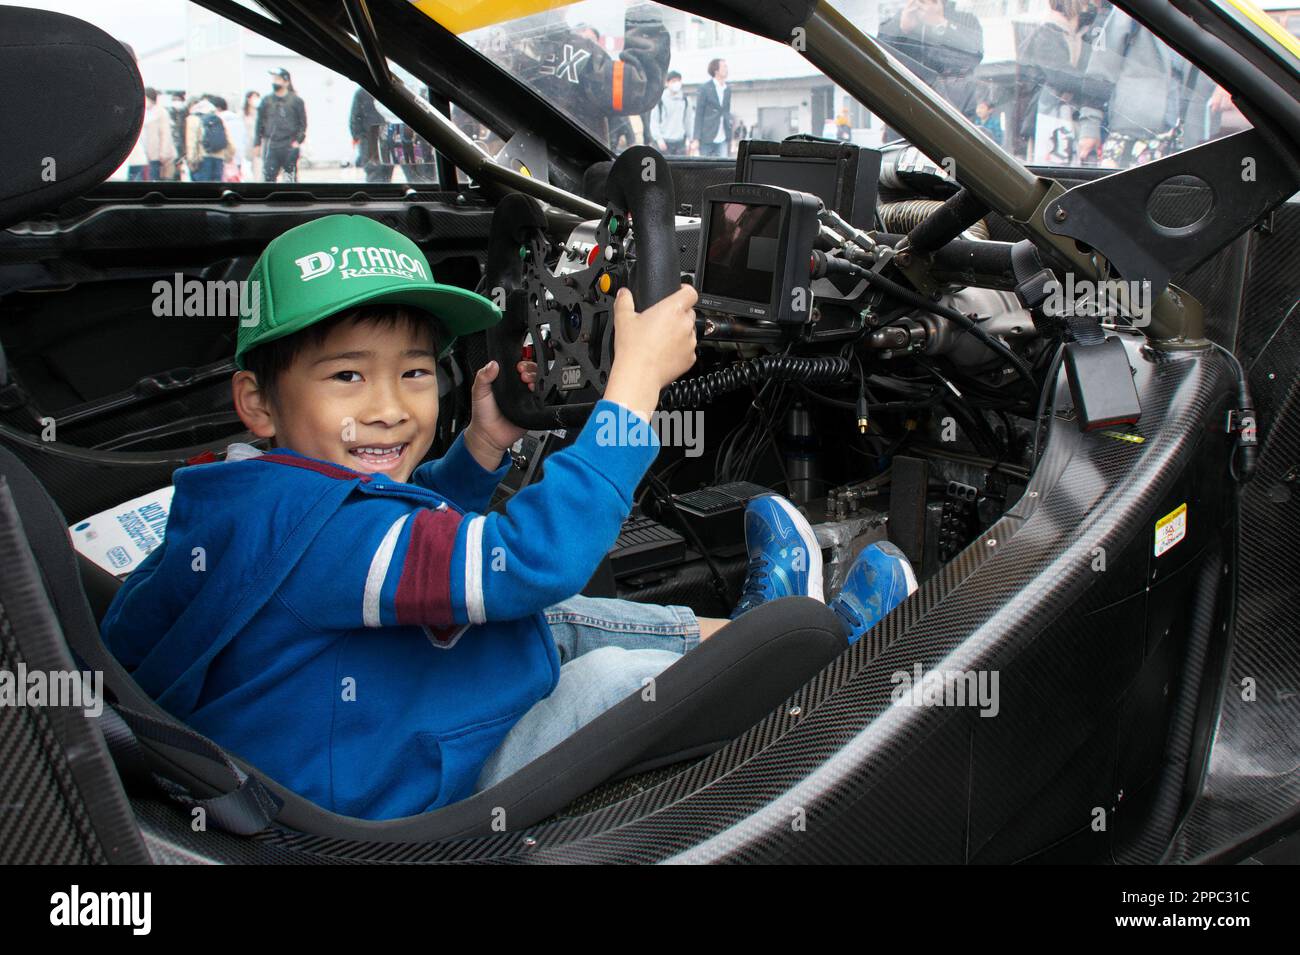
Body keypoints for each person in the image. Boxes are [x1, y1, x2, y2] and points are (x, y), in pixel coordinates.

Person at [99, 214, 916, 820]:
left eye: (415, 372)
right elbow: (533, 556)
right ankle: (837, 674)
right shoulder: (320, 535)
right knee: (591, 663)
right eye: (348, 376)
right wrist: (635, 384)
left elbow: (393, 539)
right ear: (258, 401)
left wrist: (481, 445)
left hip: (353, 745)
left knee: (543, 620)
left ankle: (758, 634)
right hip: (410, 812)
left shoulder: (244, 501)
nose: (388, 408)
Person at [501, 8, 669, 151]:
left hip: (504, 169)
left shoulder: (488, 48)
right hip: (564, 176)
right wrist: (645, 16)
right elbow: (639, 87)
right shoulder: (577, 54)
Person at [1076, 6, 1190, 167]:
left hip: (1175, 142)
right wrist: (1089, 127)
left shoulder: (1196, 13)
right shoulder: (1130, 13)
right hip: (1130, 139)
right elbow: (1101, 72)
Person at [878, 0, 984, 140]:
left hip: (954, 118)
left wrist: (940, 24)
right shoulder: (898, 21)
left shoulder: (966, 21)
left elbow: (972, 57)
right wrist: (901, 29)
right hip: (903, 118)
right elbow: (879, 59)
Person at [1017, 0, 1104, 164]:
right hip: (1049, 119)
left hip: (1066, 118)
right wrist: (1097, 85)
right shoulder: (1048, 31)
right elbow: (1061, 76)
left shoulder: (1081, 32)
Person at [254, 68, 307, 182]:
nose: (274, 82)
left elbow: (302, 124)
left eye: (278, 79)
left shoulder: (296, 101)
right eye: (274, 79)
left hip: (289, 143)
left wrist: (298, 141)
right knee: (269, 177)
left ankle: (291, 199)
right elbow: (259, 123)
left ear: (286, 82)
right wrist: (257, 143)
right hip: (271, 144)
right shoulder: (266, 100)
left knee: (290, 178)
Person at [349, 87, 394, 183]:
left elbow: (355, 116)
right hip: (370, 138)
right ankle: (378, 195)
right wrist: (359, 136)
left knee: (386, 170)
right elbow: (355, 117)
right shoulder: (362, 93)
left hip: (383, 135)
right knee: (375, 171)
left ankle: (385, 194)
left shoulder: (386, 90)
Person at [184, 95, 233, 182]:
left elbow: (191, 141)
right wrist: (229, 156)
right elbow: (228, 139)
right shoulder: (218, 118)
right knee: (216, 189)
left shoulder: (193, 119)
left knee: (202, 190)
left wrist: (191, 159)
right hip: (219, 158)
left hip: (202, 158)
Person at [692, 58, 732, 158]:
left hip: (723, 136)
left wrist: (730, 135)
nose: (727, 69)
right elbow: (699, 114)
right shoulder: (705, 88)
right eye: (724, 66)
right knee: (706, 169)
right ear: (716, 70)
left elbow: (727, 112)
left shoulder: (727, 89)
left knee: (723, 168)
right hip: (707, 136)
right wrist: (696, 138)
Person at [649, 70, 694, 155]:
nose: (676, 84)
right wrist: (659, 139)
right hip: (664, 142)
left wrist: (691, 139)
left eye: (678, 81)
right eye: (673, 81)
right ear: (667, 83)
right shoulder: (659, 100)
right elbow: (654, 121)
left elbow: (688, 121)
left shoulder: (685, 100)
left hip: (680, 142)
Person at [141, 88, 176, 181]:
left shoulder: (160, 112)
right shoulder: (144, 112)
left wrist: (164, 153)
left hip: (156, 154)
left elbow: (166, 134)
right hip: (144, 154)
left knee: (154, 179)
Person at [206, 95, 243, 182]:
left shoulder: (217, 121)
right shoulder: (238, 120)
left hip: (224, 157)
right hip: (238, 158)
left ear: (217, 108)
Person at [241, 91, 260, 180]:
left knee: (257, 165)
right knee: (246, 165)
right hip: (246, 142)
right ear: (248, 99)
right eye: (254, 97)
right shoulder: (243, 113)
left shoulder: (260, 112)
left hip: (257, 142)